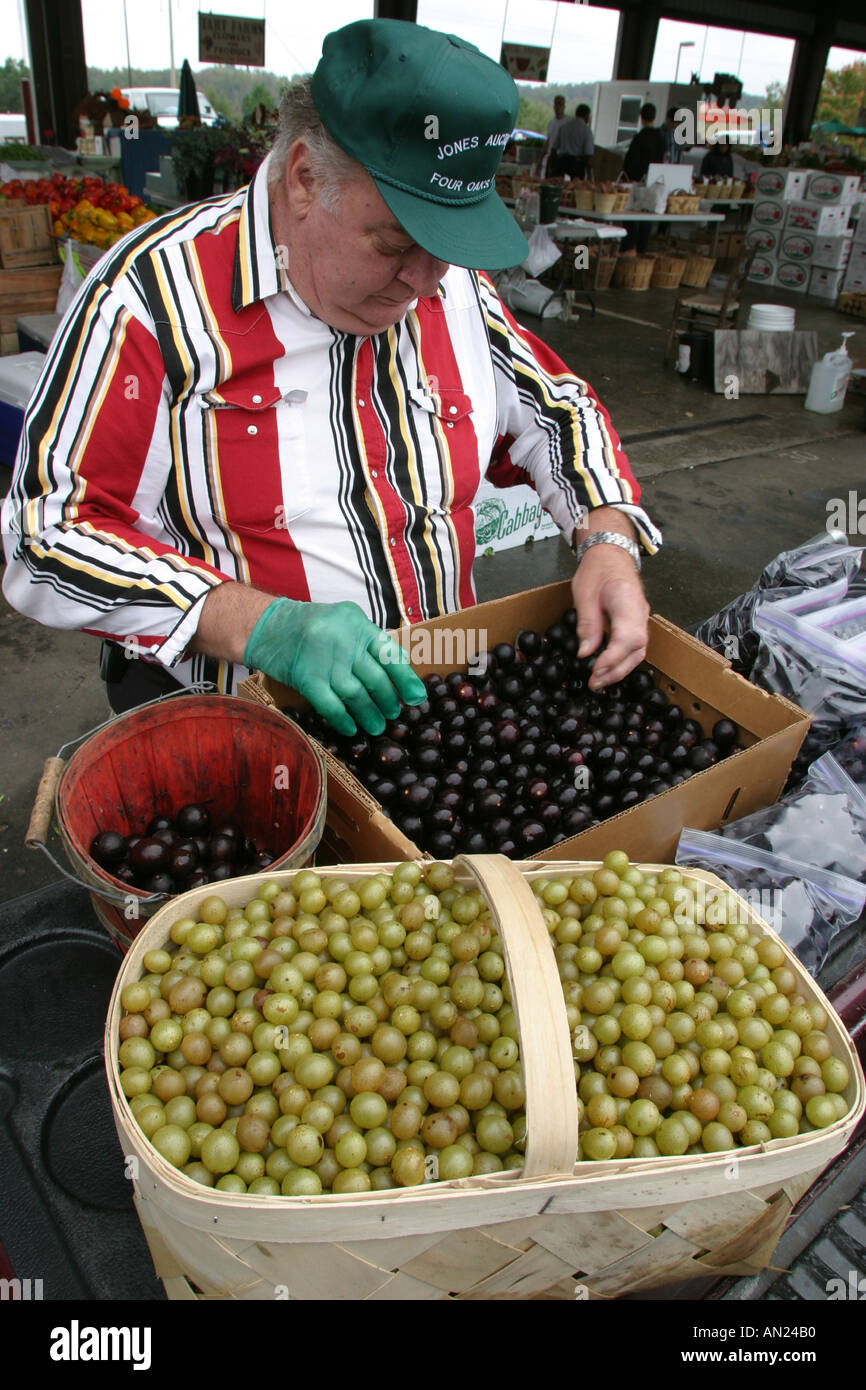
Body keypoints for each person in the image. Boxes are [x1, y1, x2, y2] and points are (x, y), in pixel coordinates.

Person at [2, 18, 660, 737]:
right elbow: (51, 534)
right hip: (243, 731)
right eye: (394, 244)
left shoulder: (448, 283)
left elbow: (554, 405)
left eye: (444, 250)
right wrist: (259, 625)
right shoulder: (150, 299)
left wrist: (608, 541)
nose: (422, 280)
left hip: (430, 707)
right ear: (307, 177)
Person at [621, 102, 667, 255]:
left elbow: (630, 162)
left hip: (637, 182)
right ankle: (641, 251)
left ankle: (628, 250)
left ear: (641, 117)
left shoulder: (640, 137)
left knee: (632, 215)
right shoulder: (661, 137)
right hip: (653, 182)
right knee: (647, 215)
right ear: (654, 117)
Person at [552, 103, 594, 180]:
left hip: (561, 162)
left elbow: (554, 148)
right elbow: (588, 154)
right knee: (575, 187)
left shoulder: (564, 127)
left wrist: (553, 165)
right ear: (586, 115)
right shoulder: (586, 130)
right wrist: (588, 174)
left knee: (558, 185)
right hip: (577, 164)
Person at [539, 95, 568, 177]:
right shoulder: (551, 123)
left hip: (563, 158)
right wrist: (540, 159)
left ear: (564, 106)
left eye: (560, 104)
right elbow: (548, 141)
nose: (558, 107)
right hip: (551, 158)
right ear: (553, 106)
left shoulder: (568, 122)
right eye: (556, 104)